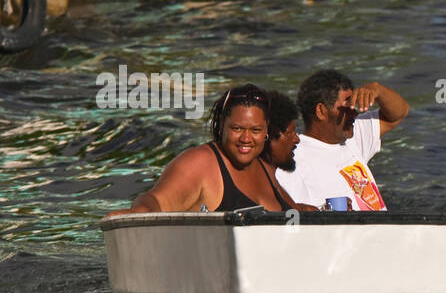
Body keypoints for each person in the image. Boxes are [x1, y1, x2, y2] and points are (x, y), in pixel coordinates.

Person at [114, 84, 296, 214]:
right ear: (223, 125)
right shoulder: (201, 163)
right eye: (237, 128)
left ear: (266, 130)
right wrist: (138, 213)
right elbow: (156, 201)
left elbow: (293, 213)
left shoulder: (263, 166)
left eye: (255, 130)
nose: (246, 139)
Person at [275, 69, 410, 210]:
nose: (355, 112)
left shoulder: (351, 134)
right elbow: (295, 218)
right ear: (321, 111)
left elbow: (399, 113)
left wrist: (378, 90)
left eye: (354, 105)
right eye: (348, 107)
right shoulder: (292, 161)